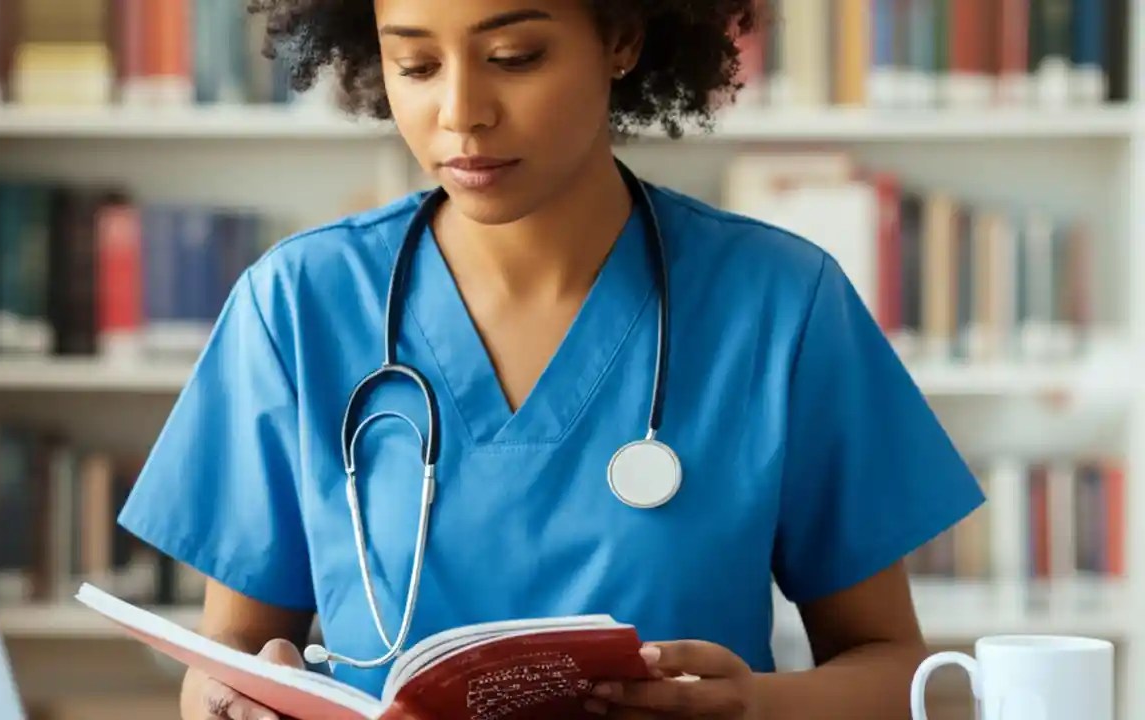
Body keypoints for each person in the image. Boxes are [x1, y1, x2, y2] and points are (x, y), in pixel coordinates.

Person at [117, 1, 986, 718]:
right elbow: (222, 659)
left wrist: (753, 706)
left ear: (622, 38)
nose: (461, 112)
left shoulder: (782, 306)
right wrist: (229, 702)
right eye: (416, 67)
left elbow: (894, 669)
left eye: (514, 55)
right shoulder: (297, 306)